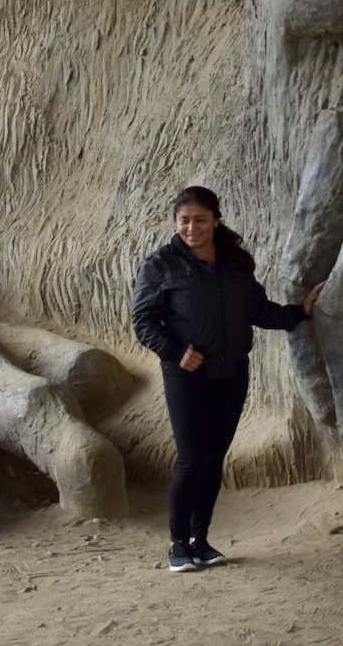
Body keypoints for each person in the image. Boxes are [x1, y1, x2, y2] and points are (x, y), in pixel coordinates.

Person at [131, 185, 325, 573]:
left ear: (216, 220)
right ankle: (177, 545)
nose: (191, 228)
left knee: (213, 459)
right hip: (187, 375)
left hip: (232, 372)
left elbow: (257, 310)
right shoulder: (161, 265)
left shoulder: (236, 263)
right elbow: (143, 319)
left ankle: (201, 541)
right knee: (191, 459)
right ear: (176, 222)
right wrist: (174, 350)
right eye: (184, 220)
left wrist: (299, 312)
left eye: (200, 220)